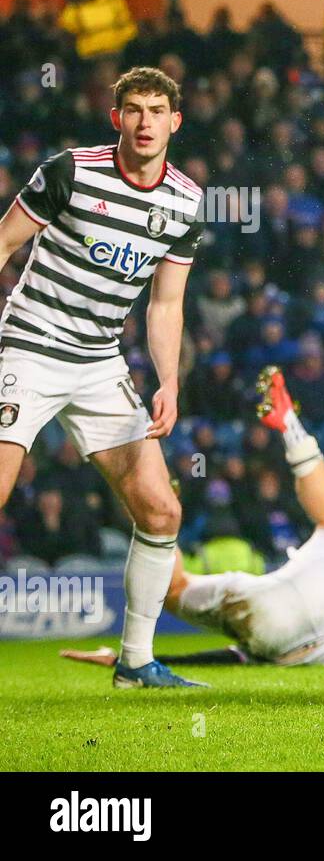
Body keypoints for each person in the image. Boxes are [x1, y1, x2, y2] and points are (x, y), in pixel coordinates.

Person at [0, 66, 205, 688]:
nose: (145, 123)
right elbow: (3, 243)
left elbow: (165, 304)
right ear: (118, 117)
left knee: (162, 510)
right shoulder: (69, 171)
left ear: (176, 120)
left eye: (157, 111)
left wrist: (167, 382)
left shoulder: (186, 202)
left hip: (98, 362)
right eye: (134, 110)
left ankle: (136, 662)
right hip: (29, 347)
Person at [59, 367, 324, 670]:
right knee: (175, 588)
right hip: (276, 634)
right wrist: (127, 660)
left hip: (316, 601)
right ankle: (150, 503)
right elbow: (225, 659)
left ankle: (290, 424)